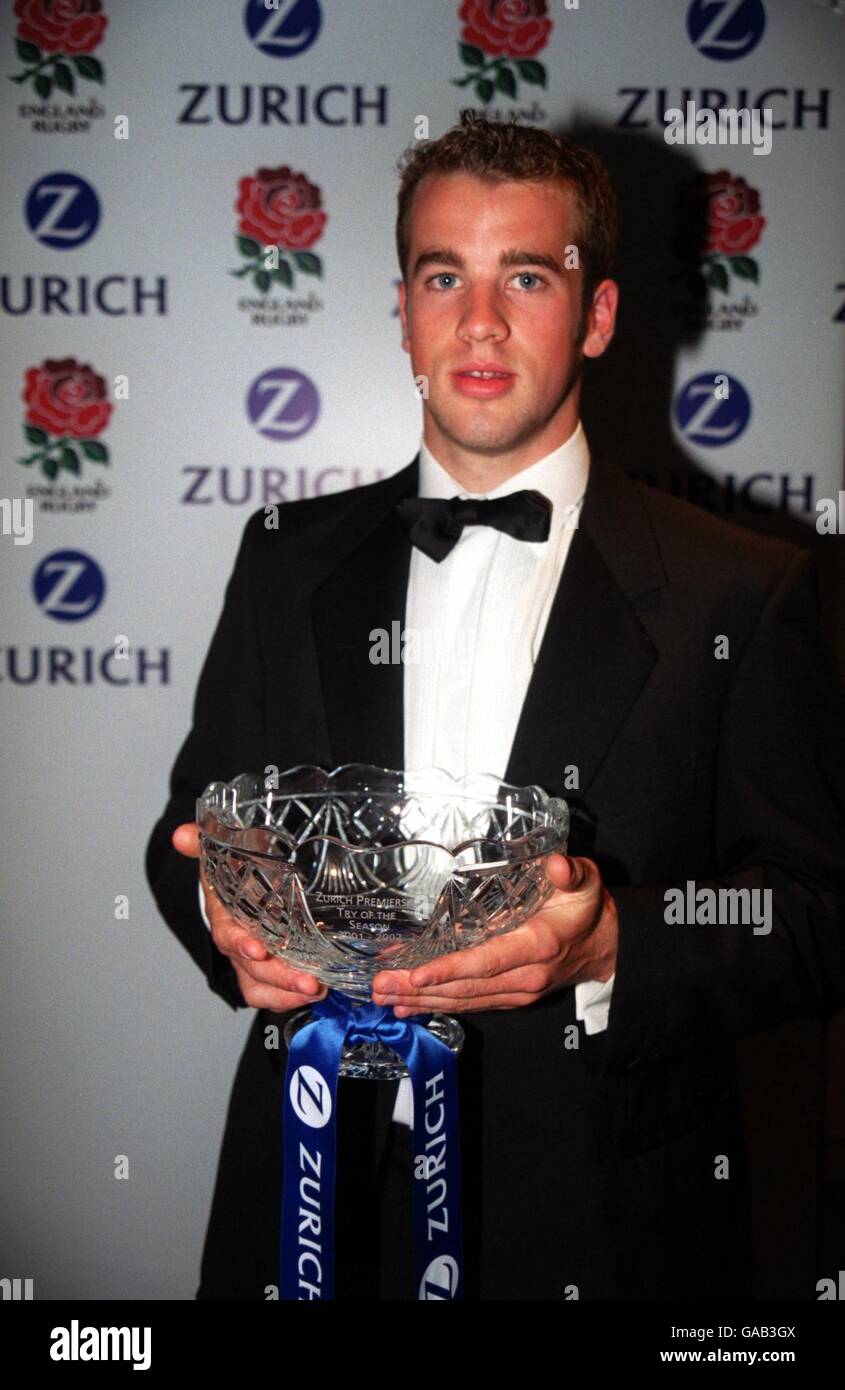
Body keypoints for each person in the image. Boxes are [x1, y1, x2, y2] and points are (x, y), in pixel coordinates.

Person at [146, 111, 845, 1301]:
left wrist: (617, 938)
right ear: (403, 314)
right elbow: (189, 836)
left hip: (602, 1225)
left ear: (600, 313)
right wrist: (223, 917)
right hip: (313, 1211)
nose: (478, 321)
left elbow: (815, 913)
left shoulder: (743, 587)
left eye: (525, 275)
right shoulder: (285, 557)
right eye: (442, 277)